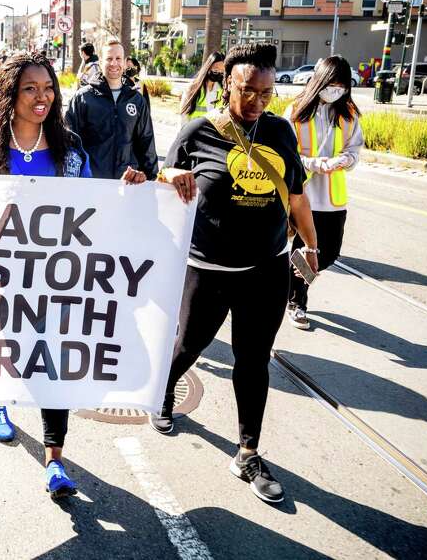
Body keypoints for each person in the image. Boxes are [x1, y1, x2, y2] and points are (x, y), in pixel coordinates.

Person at [0, 52, 145, 500]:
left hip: (55, 276)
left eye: (49, 88)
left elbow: (94, 206)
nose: (42, 98)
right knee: (3, 347)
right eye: (30, 89)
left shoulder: (70, 148)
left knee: (52, 360)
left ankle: (55, 461)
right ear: (11, 95)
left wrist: (127, 190)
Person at [154, 43, 319, 503]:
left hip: (266, 269)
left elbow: (298, 197)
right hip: (207, 268)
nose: (255, 102)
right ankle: (164, 388)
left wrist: (311, 243)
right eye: (247, 91)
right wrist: (170, 177)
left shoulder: (281, 132)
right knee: (190, 343)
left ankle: (247, 452)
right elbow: (163, 176)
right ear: (229, 84)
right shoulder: (199, 131)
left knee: (253, 360)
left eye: (266, 93)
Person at [283, 56, 363, 330]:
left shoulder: (349, 114)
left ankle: (289, 279)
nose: (336, 90)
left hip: (332, 197)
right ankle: (297, 301)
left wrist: (345, 161)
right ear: (320, 80)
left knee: (330, 253)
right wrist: (314, 164)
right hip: (302, 193)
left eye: (341, 85)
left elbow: (355, 149)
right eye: (332, 84)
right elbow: (285, 153)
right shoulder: (295, 110)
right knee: (305, 248)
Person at [64, 39, 158, 180]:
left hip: (127, 184)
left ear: (124, 62)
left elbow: (146, 141)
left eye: (118, 58)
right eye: (109, 59)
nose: (114, 63)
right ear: (101, 61)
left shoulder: (137, 100)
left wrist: (151, 178)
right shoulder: (82, 98)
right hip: (92, 184)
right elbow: (70, 143)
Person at [179, 51, 226, 124]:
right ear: (208, 67)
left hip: (211, 134)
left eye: (222, 71)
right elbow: (183, 116)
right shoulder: (193, 88)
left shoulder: (222, 92)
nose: (219, 73)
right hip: (194, 133)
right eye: (216, 69)